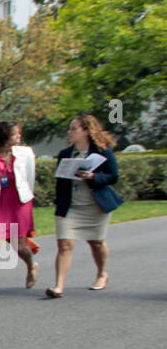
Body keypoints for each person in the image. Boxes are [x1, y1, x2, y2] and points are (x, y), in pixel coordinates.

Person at [47, 114, 123, 297]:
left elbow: (113, 176)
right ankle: (58, 286)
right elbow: (60, 182)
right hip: (71, 205)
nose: (70, 132)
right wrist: (59, 206)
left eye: (74, 128)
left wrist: (93, 177)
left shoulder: (103, 151)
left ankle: (102, 273)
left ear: (87, 131)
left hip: (94, 205)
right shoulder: (66, 154)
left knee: (96, 242)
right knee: (65, 244)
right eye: (70, 128)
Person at [0, 120, 39, 298]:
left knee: (18, 246)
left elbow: (30, 177)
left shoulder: (26, 153)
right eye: (15, 134)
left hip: (19, 201)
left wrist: (27, 197)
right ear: (5, 137)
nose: (19, 136)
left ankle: (31, 265)